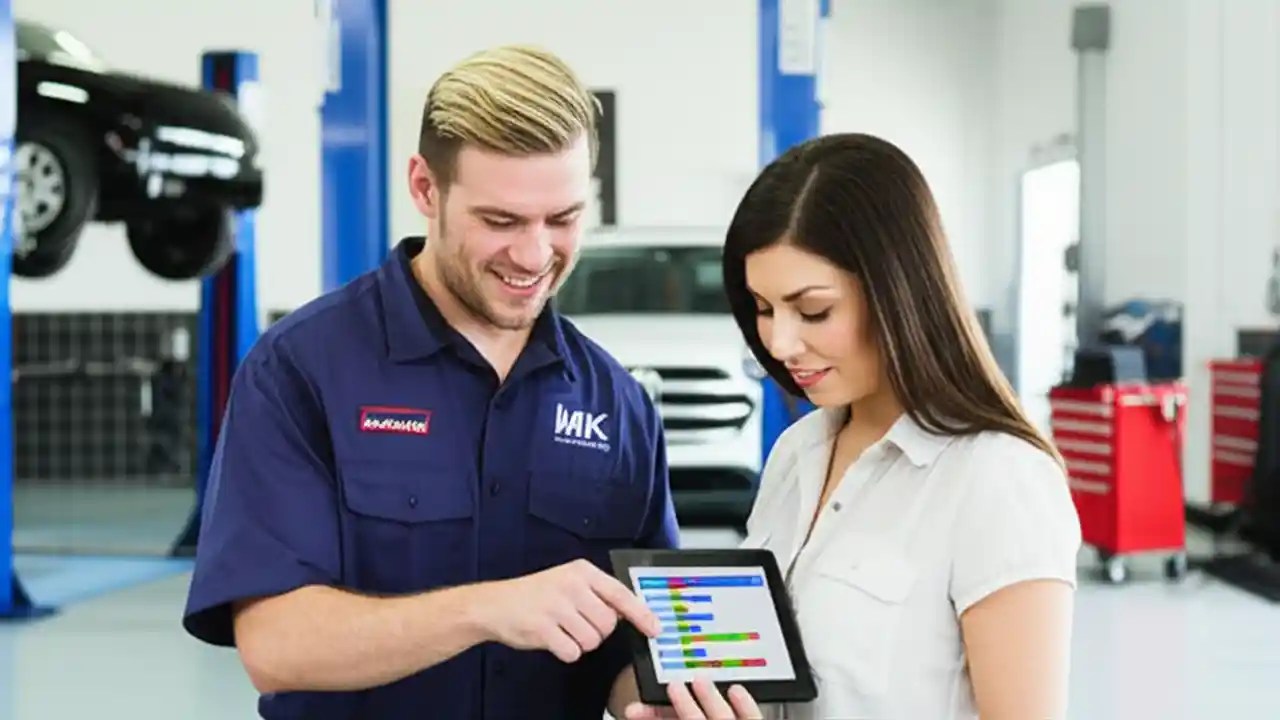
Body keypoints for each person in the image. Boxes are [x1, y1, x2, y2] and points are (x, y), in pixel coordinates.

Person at [182, 44, 679, 720]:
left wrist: (651, 703)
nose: (535, 255)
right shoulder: (303, 369)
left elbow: (636, 650)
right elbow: (277, 644)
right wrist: (487, 609)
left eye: (562, 219)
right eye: (500, 221)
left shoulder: (617, 404)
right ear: (424, 188)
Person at [623, 133, 1082, 720]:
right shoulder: (798, 453)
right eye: (763, 309)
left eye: (813, 310)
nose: (780, 343)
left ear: (899, 291)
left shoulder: (999, 478)